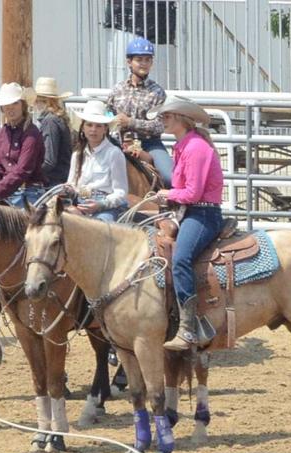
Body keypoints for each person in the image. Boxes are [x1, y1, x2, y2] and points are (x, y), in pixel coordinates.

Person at [153, 97, 223, 352]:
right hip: (192, 211)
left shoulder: (195, 148)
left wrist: (167, 195)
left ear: (181, 118)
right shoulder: (184, 146)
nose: (163, 120)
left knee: (180, 258)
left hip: (202, 214)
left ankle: (188, 328)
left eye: (167, 116)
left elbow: (192, 193)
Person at [106, 36, 172, 187]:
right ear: (129, 62)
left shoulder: (157, 92)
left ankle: (176, 208)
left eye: (147, 60)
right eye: (139, 59)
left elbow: (161, 125)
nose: (143, 63)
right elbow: (107, 114)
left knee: (170, 177)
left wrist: (131, 122)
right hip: (118, 141)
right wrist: (113, 122)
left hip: (149, 143)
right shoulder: (117, 90)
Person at [0, 82, 45, 209]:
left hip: (29, 191)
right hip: (6, 192)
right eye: (6, 105)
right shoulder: (1, 134)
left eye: (15, 103)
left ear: (23, 105)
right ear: (2, 108)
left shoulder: (32, 133)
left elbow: (22, 171)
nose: (10, 108)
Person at [65, 100, 128, 223]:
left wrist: (100, 204)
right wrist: (67, 190)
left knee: (101, 230)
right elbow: (71, 184)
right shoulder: (77, 154)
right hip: (80, 204)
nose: (93, 129)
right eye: (89, 125)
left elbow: (121, 192)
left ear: (105, 129)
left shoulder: (114, 153)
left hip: (106, 207)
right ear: (83, 128)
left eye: (98, 125)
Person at [32, 76, 73, 189]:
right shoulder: (58, 118)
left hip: (53, 180)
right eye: (37, 100)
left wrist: (31, 175)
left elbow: (49, 161)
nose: (37, 103)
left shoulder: (50, 121)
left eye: (41, 100)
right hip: (60, 177)